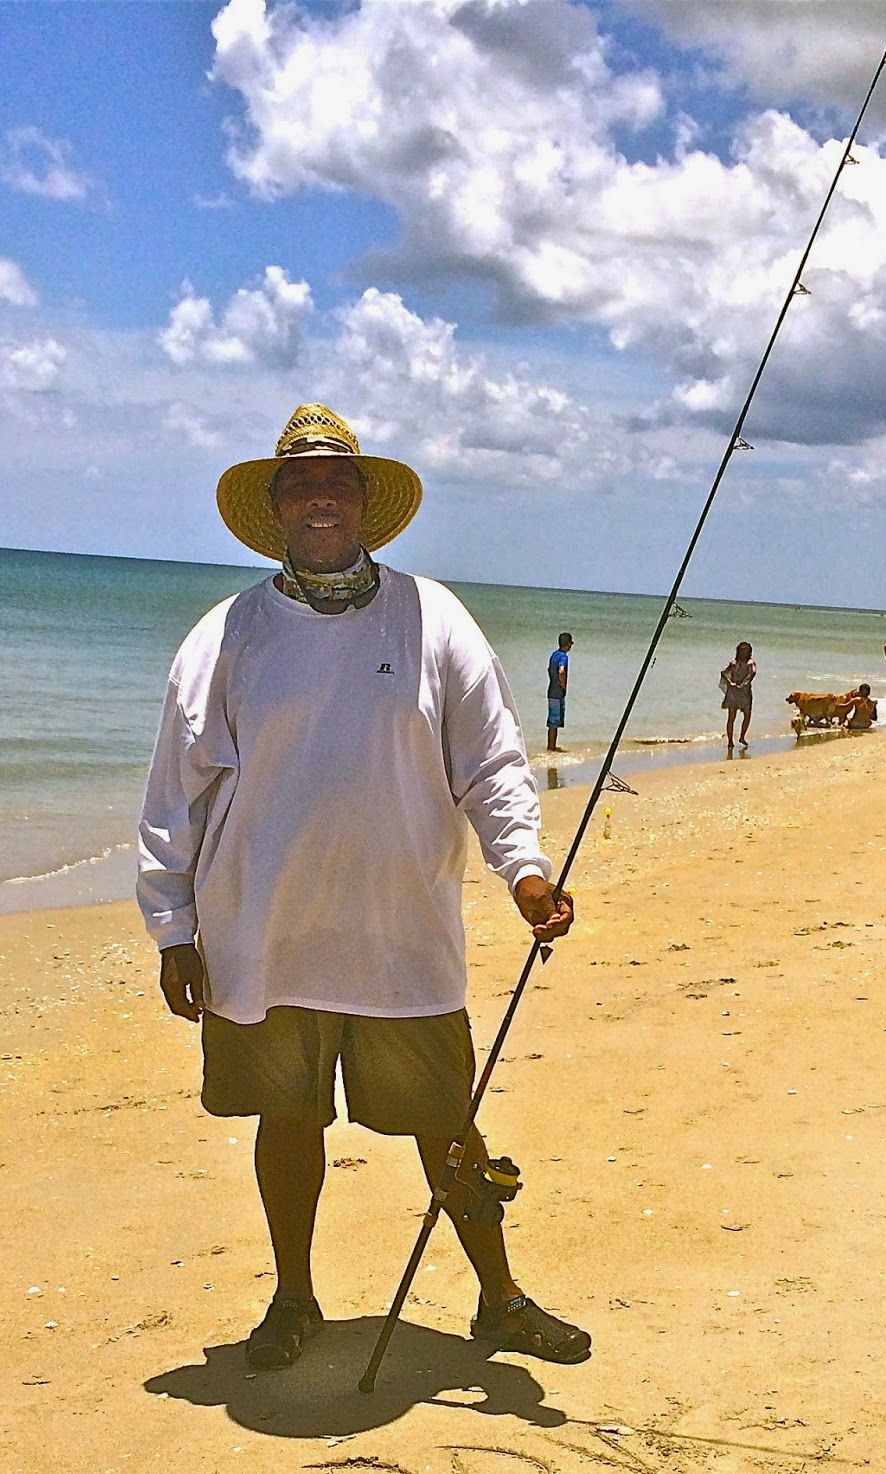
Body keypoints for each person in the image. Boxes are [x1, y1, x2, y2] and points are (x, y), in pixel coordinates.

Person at [138, 403, 589, 1374]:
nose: (319, 496)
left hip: (402, 937)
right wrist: (172, 927)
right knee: (286, 1119)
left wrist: (524, 870)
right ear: (274, 505)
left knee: (446, 1123)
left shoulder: (433, 617)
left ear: (365, 504)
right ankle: (292, 1299)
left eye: (337, 480)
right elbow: (176, 788)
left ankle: (499, 1299)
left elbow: (494, 760)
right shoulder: (227, 635)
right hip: (265, 937)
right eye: (300, 481)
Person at [720, 640, 755, 750]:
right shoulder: (734, 663)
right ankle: (731, 741)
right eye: (742, 650)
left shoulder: (750, 663)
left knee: (746, 715)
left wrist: (740, 684)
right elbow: (723, 672)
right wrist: (731, 683)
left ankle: (741, 737)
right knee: (732, 717)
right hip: (737, 691)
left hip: (741, 691)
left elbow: (752, 673)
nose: (743, 652)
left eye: (745, 650)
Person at [546, 633, 572, 751]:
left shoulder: (553, 654)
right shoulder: (563, 657)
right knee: (554, 721)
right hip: (558, 691)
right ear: (567, 645)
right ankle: (552, 747)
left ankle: (551, 746)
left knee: (552, 721)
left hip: (551, 689)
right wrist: (563, 685)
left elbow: (549, 669)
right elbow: (561, 671)